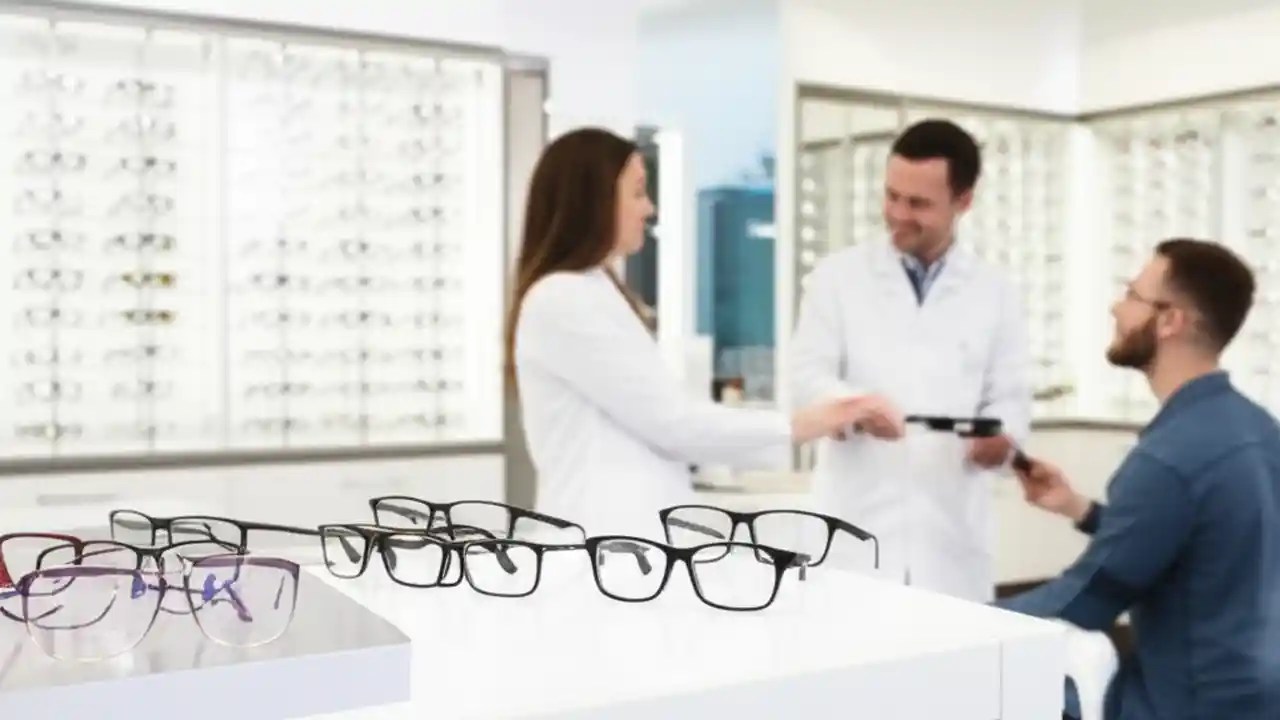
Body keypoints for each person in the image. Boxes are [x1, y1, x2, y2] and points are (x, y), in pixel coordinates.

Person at [506, 127, 904, 537]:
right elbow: (673, 424)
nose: (650, 208)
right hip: (597, 548)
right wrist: (808, 422)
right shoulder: (562, 299)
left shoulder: (597, 291)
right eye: (639, 192)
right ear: (594, 201)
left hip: (628, 547)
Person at [999, 239, 1280, 720]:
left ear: (1170, 321)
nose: (1116, 307)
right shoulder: (1258, 429)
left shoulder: (1168, 458)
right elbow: (1198, 541)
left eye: (1132, 295)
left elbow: (1085, 598)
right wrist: (1078, 508)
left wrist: (958, 621)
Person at [789, 118, 1031, 601]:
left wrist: (999, 442)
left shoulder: (995, 294)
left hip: (950, 541)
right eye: (891, 196)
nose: (899, 213)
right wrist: (852, 408)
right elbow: (804, 380)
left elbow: (1010, 402)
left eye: (918, 203)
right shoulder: (837, 279)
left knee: (951, 669)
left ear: (963, 201)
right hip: (856, 537)